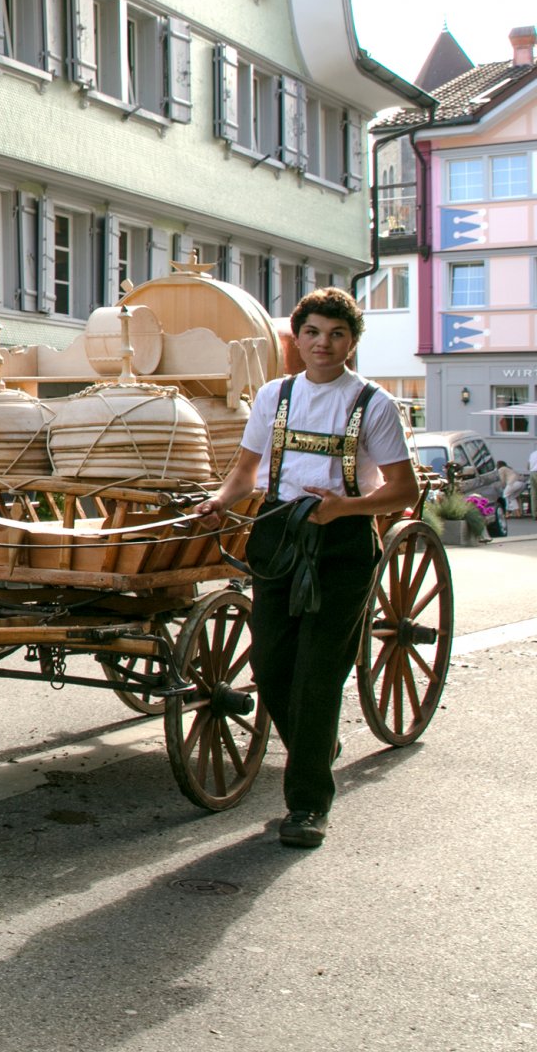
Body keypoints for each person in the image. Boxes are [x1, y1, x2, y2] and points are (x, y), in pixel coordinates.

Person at [195, 288, 418, 849]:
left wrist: (347, 506)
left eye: (337, 334)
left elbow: (403, 490)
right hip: (277, 535)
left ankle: (307, 807)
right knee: (272, 671)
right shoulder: (275, 396)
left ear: (351, 342)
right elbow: (245, 471)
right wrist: (221, 500)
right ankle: (316, 749)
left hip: (342, 543)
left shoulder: (374, 404)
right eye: (314, 332)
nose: (324, 344)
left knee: (318, 676)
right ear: (299, 338)